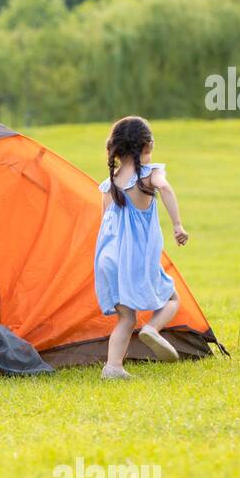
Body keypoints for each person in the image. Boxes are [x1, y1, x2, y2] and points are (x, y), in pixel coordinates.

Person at [93, 115, 190, 380]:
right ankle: (153, 329)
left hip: (107, 259)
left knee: (125, 318)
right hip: (134, 258)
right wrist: (177, 225)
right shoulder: (149, 175)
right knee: (172, 298)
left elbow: (106, 222)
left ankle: (113, 368)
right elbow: (166, 189)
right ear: (146, 146)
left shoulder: (109, 182)